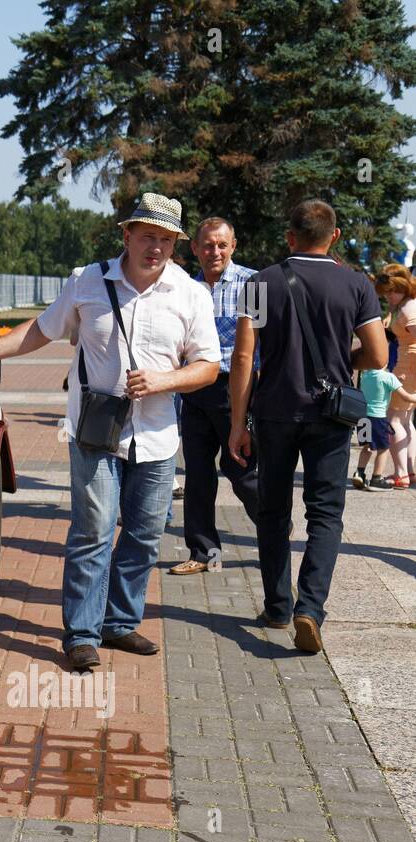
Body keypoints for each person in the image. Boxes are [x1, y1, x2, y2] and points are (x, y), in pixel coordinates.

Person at [0, 193, 220, 671]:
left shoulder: (190, 293)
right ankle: (81, 632)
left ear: (176, 243)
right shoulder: (88, 281)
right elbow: (41, 330)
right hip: (95, 432)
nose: (155, 247)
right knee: (93, 531)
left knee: (144, 534)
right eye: (147, 236)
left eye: (165, 239)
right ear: (127, 235)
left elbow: (208, 366)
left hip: (157, 436)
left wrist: (164, 380)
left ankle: (119, 622)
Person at [228, 199, 388, 652]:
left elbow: (243, 358)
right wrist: (343, 363)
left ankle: (278, 606)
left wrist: (238, 424)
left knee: (272, 512)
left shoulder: (260, 283)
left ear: (290, 236)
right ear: (333, 236)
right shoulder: (356, 284)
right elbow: (376, 356)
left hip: (275, 412)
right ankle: (310, 608)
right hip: (331, 415)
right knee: (325, 515)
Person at [169, 218, 260, 575]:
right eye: (207, 245)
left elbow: (263, 343)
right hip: (194, 388)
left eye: (222, 245)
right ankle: (203, 551)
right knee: (198, 474)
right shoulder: (184, 288)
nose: (215, 252)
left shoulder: (252, 283)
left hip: (236, 388)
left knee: (243, 470)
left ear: (233, 246)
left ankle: (274, 530)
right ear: (195, 248)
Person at [374, 264, 416, 487]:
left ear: (401, 286)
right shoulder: (408, 306)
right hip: (408, 367)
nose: (388, 297)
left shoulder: (409, 309)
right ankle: (409, 471)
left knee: (394, 420)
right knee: (407, 421)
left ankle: (401, 474)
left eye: (391, 291)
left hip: (407, 368)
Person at [354, 365, 416, 489]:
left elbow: (379, 384)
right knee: (383, 449)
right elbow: (406, 397)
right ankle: (377, 479)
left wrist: (397, 380)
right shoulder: (389, 377)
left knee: (367, 447)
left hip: (363, 418)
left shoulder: (365, 375)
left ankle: (359, 473)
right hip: (377, 419)